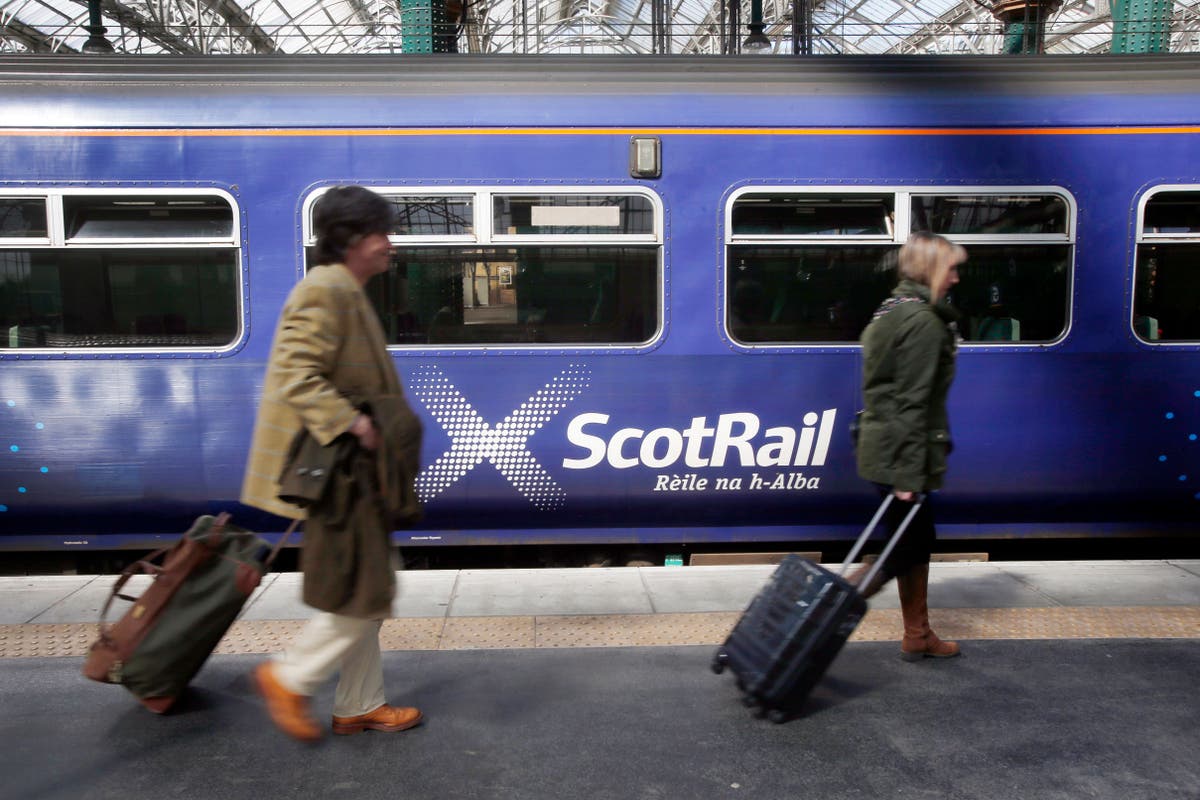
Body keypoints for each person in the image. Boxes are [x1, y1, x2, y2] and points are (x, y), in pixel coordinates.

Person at [241, 185, 423, 741]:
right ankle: (289, 677)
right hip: (340, 472)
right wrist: (355, 424)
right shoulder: (324, 290)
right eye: (381, 233)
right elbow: (297, 375)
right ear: (352, 238)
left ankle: (359, 704)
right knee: (367, 588)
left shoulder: (346, 289)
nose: (390, 244)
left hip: (354, 471)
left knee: (364, 586)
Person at [851, 231, 966, 661]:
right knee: (910, 546)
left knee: (914, 543)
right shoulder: (924, 323)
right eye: (951, 269)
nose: (955, 278)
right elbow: (912, 404)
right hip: (902, 454)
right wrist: (907, 476)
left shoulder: (890, 310)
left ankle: (918, 633)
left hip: (885, 447)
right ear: (931, 269)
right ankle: (834, 602)